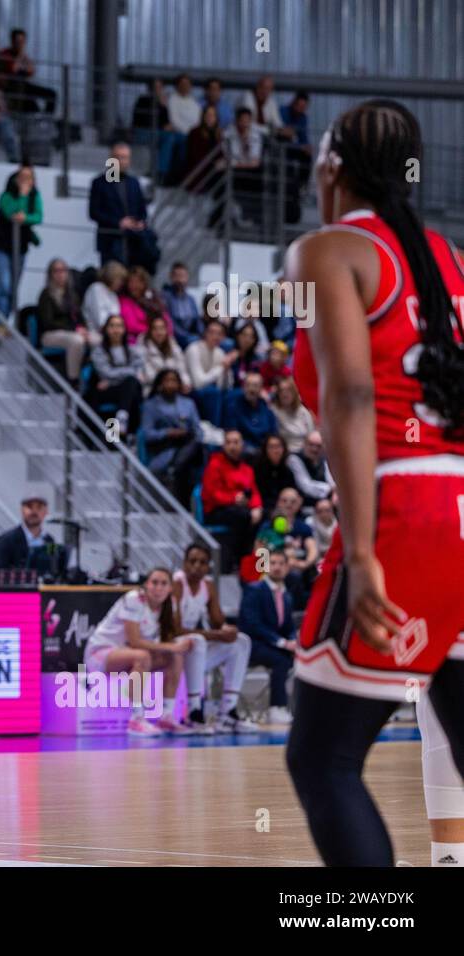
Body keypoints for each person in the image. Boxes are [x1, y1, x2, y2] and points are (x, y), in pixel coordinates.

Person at [283, 101, 464, 868]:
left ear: (330, 164)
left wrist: (360, 552)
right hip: (459, 504)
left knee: (321, 759)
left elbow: (352, 398)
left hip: (404, 510)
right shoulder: (447, 255)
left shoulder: (324, 251)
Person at [81, 567, 196, 736]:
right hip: (100, 653)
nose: (158, 588)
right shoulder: (134, 599)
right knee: (143, 656)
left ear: (170, 588)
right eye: (154, 582)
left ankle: (167, 716)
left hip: (127, 655)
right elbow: (135, 642)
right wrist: (172, 646)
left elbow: (168, 639)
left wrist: (179, 646)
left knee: (175, 657)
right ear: (146, 585)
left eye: (164, 583)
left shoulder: (169, 605)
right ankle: (136, 718)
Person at [172, 542, 259, 732]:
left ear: (208, 566)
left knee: (241, 641)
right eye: (192, 561)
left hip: (193, 653)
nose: (197, 566)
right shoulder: (177, 583)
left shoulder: (207, 585)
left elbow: (217, 622)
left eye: (203, 562)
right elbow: (175, 630)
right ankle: (194, 712)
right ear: (184, 563)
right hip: (172, 650)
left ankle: (227, 711)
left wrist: (227, 630)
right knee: (198, 640)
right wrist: (215, 634)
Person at [238, 548, 296, 726]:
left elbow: (289, 627)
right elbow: (252, 624)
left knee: (295, 657)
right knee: (281, 659)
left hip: (273, 645)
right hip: (252, 644)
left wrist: (293, 641)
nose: (277, 567)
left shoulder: (286, 594)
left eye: (281, 563)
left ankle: (290, 708)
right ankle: (275, 707)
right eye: (273, 563)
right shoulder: (254, 589)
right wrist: (282, 643)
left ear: (287, 567)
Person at [88, 142, 158, 273]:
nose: (121, 161)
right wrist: (119, 222)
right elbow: (94, 212)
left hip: (133, 241)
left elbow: (142, 210)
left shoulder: (134, 182)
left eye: (124, 157)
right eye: (118, 157)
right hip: (110, 241)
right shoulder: (99, 183)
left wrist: (137, 222)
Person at [200, 430, 263, 566]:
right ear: (223, 445)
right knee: (243, 517)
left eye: (236, 442)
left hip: (240, 509)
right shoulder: (215, 465)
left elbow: (254, 492)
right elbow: (213, 494)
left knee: (261, 517)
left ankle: (259, 563)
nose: (232, 446)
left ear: (242, 445)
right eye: (228, 442)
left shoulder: (247, 469)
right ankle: (241, 560)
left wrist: (256, 507)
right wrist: (234, 498)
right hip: (216, 509)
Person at [0, 165, 42, 317]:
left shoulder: (35, 196)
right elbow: (14, 214)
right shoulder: (6, 196)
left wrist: (27, 217)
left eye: (28, 178)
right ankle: (0, 324)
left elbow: (38, 216)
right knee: (3, 286)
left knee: (12, 290)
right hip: (0, 248)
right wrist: (23, 196)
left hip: (20, 249)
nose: (25, 181)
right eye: (22, 177)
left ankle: (5, 321)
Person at [141, 369, 201, 505]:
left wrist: (186, 433)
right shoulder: (151, 405)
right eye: (167, 380)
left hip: (189, 446)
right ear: (160, 384)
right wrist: (168, 433)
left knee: (196, 446)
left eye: (174, 380)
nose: (171, 384)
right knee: (185, 461)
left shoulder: (188, 403)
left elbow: (198, 431)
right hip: (166, 448)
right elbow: (147, 434)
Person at [86, 314, 144, 437]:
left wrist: (111, 380)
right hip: (107, 392)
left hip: (120, 387)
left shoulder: (132, 350)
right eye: (112, 326)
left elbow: (139, 368)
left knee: (132, 385)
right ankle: (127, 434)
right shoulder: (98, 351)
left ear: (124, 329)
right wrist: (129, 372)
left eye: (119, 326)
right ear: (106, 329)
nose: (116, 330)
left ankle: (122, 425)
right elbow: (106, 373)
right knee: (131, 382)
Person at [0, 493, 72, 577]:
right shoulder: (6, 540)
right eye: (29, 507)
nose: (34, 511)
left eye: (39, 507)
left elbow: (54, 567)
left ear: (46, 512)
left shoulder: (49, 540)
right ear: (22, 510)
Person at [35, 259, 88, 383]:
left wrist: (84, 329)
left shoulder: (72, 294)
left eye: (64, 270)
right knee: (77, 341)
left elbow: (80, 317)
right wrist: (74, 330)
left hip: (72, 332)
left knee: (98, 339)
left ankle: (92, 381)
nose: (61, 274)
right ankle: (73, 381)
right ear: (50, 274)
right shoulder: (46, 294)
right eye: (56, 271)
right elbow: (47, 322)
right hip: (51, 334)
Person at [221, 371, 277, 457]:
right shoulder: (233, 407)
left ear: (261, 389)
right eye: (248, 385)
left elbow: (273, 433)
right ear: (243, 387)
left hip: (265, 451)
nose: (251, 389)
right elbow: (232, 434)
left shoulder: (267, 409)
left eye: (255, 385)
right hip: (244, 452)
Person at [286, 429, 336, 507]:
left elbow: (330, 479)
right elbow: (306, 486)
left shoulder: (323, 459)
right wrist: (330, 489)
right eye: (311, 445)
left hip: (324, 503)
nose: (314, 449)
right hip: (303, 504)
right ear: (304, 444)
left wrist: (335, 491)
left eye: (318, 446)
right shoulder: (294, 459)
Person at [81, 260, 126, 344]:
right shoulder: (96, 289)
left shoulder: (113, 294)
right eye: (119, 279)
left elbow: (118, 317)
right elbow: (100, 321)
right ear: (111, 276)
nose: (121, 283)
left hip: (113, 332)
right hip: (96, 333)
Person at [253, 433, 296, 516]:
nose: (275, 451)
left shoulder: (287, 471)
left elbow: (293, 492)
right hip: (265, 510)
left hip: (286, 509)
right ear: (265, 450)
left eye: (278, 447)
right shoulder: (258, 470)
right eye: (271, 447)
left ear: (284, 449)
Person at [270, 376, 315, 454]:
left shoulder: (303, 411)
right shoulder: (273, 411)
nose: (284, 393)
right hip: (287, 453)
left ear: (294, 392)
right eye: (281, 390)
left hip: (306, 452)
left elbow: (311, 435)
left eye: (288, 390)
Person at [161, 262, 201, 348]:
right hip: (175, 337)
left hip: (191, 336)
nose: (180, 280)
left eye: (183, 276)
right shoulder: (165, 297)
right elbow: (169, 321)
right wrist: (186, 336)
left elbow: (197, 321)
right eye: (177, 276)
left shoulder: (191, 299)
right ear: (171, 277)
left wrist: (204, 335)